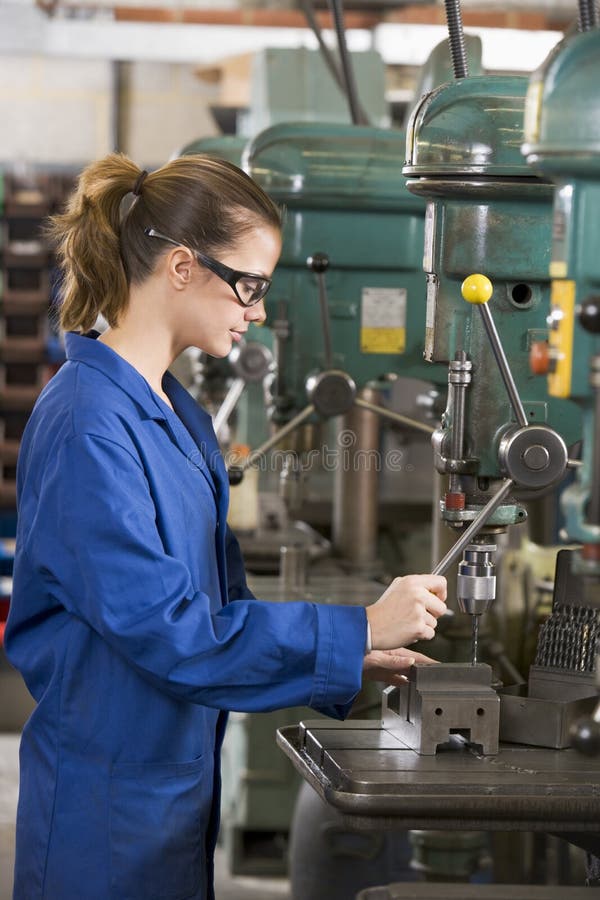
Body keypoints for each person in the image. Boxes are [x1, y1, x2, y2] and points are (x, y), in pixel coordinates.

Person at [5, 152, 447, 900]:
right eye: (249, 285)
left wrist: (351, 660)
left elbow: (220, 614)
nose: (257, 311)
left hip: (167, 796)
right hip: (106, 809)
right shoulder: (90, 425)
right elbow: (173, 635)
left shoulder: (177, 417)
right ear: (182, 266)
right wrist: (359, 626)